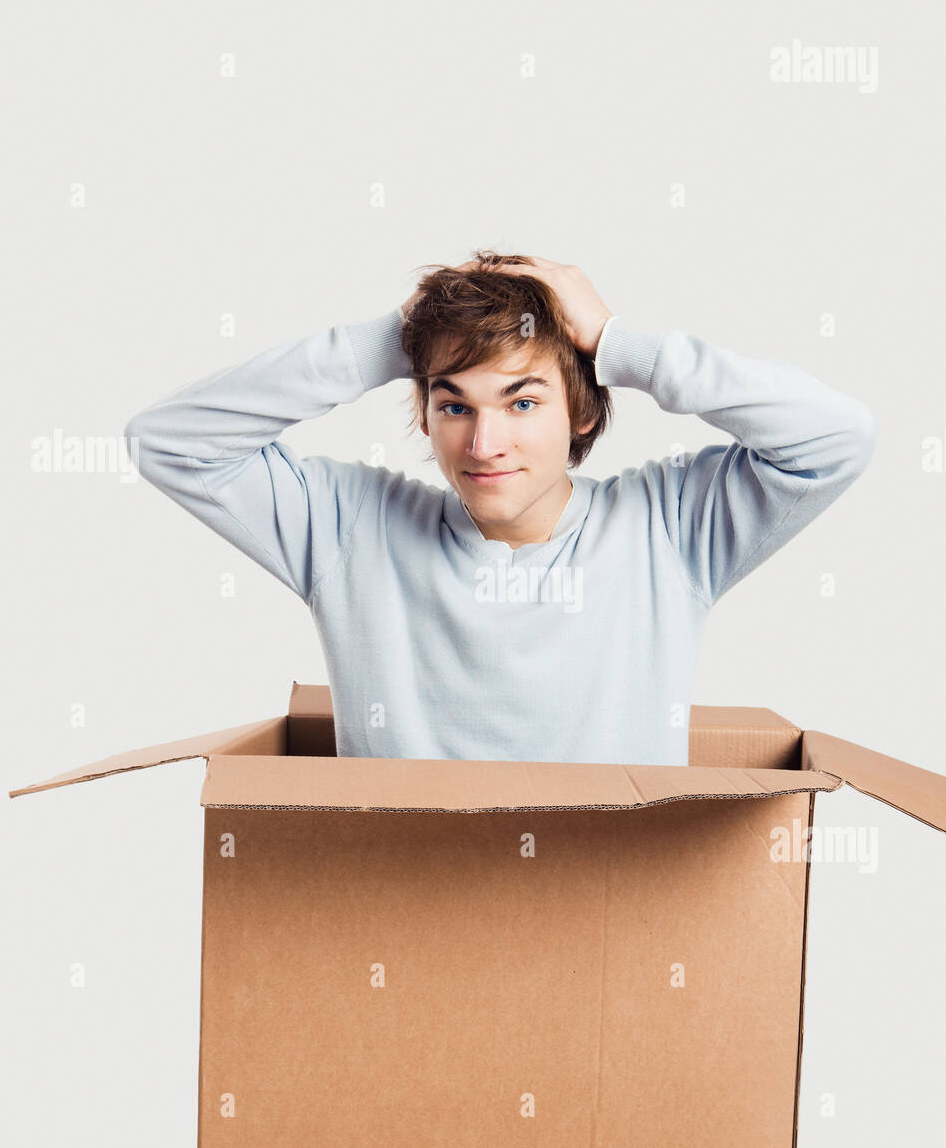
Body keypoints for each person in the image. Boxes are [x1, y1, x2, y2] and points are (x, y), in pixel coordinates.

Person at [123, 250, 876, 765]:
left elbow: (835, 437)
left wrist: (622, 345)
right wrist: (397, 341)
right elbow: (169, 441)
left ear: (582, 412)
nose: (484, 442)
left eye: (521, 401)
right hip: (402, 931)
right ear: (423, 415)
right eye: (454, 405)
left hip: (614, 931)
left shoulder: (668, 529)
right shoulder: (349, 529)